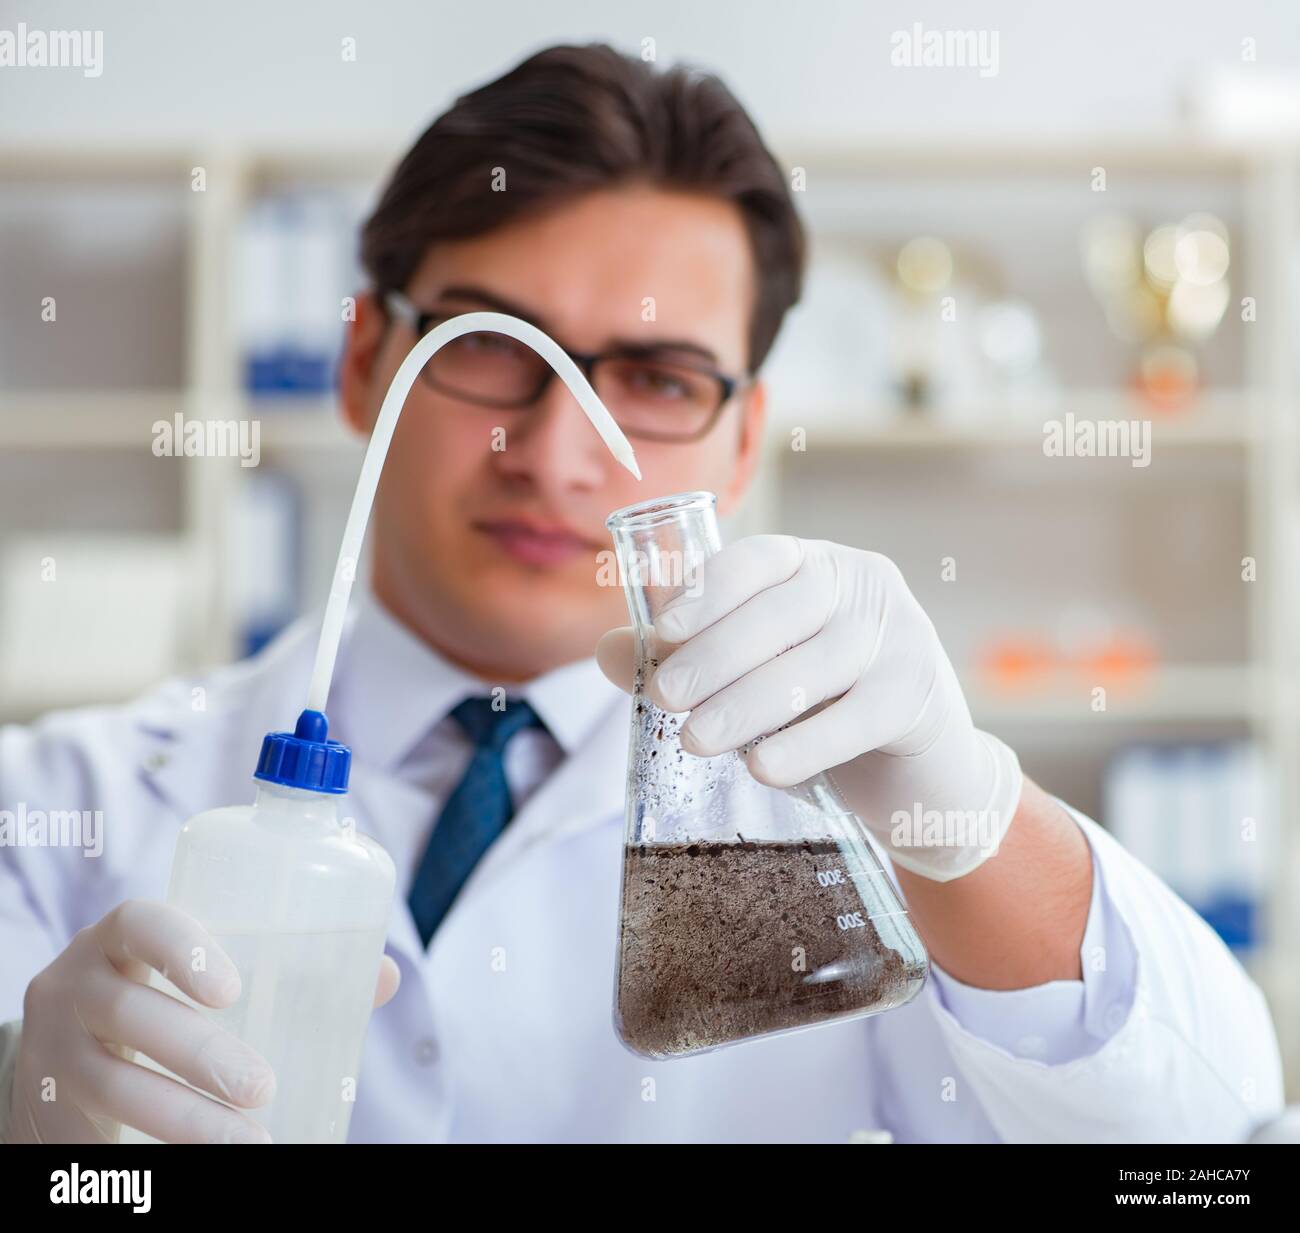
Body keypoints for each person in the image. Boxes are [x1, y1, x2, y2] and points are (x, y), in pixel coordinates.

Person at [0, 43, 1283, 1144]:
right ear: (363, 362)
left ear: (742, 439)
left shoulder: (850, 843)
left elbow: (1202, 1151)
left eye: (660, 379)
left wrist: (975, 824)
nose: (558, 455)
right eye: (493, 347)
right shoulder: (60, 808)